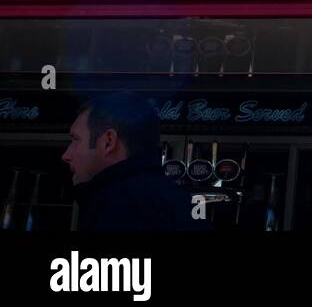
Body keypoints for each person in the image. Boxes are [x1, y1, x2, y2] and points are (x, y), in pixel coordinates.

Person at [61, 92, 206, 231]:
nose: (66, 155)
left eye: (76, 140)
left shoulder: (118, 208)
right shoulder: (181, 202)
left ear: (108, 142)